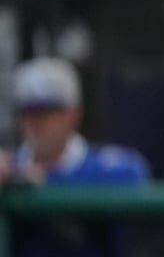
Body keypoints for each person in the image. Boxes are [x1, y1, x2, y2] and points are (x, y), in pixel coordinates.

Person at [1, 57, 151, 257]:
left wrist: (41, 184)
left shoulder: (107, 165)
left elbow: (136, 177)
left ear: (73, 114)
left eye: (49, 111)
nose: (37, 122)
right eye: (29, 111)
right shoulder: (9, 169)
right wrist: (13, 178)